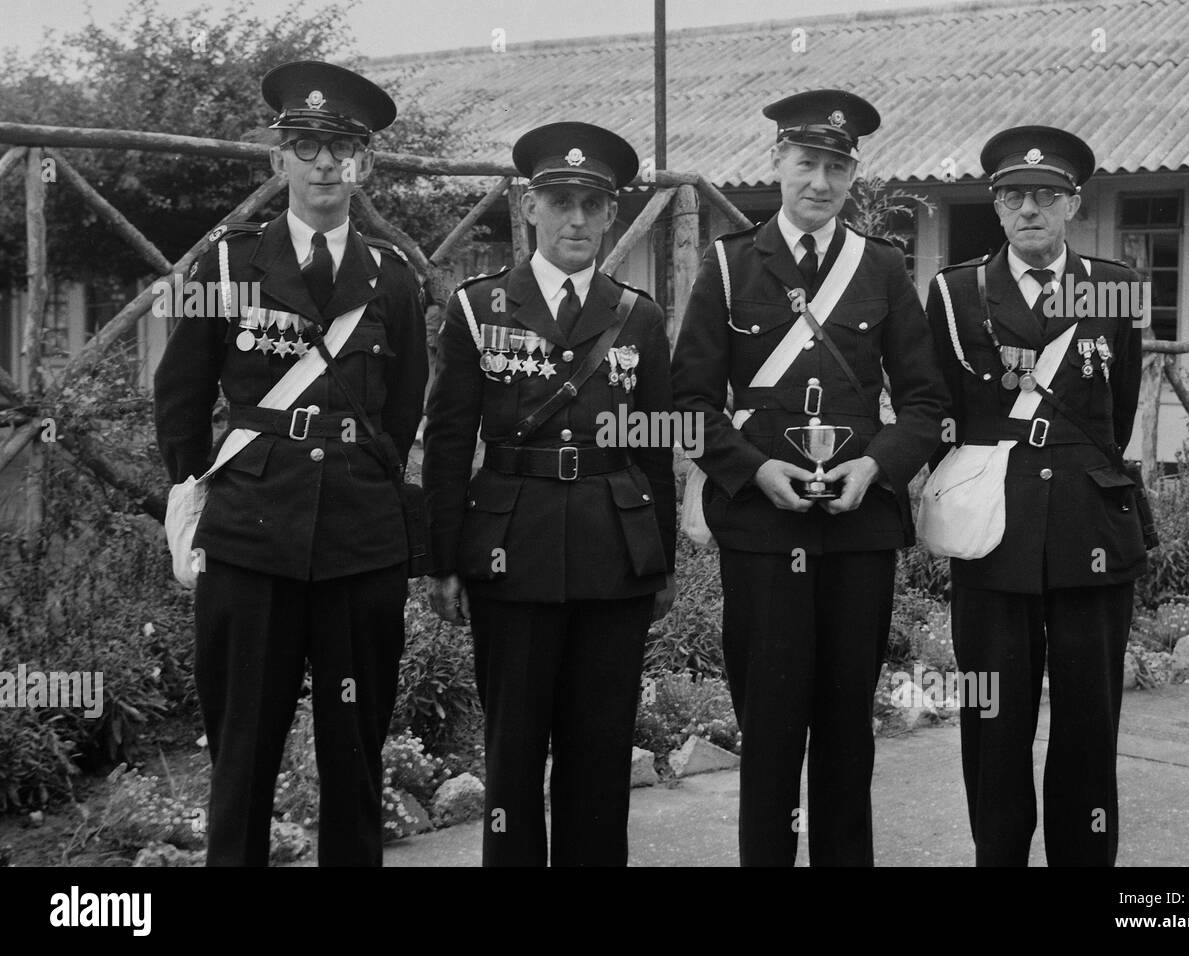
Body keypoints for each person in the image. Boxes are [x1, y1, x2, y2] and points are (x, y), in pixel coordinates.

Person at [154, 60, 428, 866]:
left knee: (355, 755)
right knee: (242, 754)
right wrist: (195, 489)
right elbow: (181, 392)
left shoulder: (394, 281)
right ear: (279, 161)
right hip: (251, 541)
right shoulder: (229, 267)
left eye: (341, 147)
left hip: (358, 545)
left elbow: (404, 407)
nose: (323, 164)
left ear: (365, 164)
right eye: (306, 146)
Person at [672, 89, 947, 866]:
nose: (819, 182)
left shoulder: (883, 267)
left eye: (835, 167)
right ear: (778, 165)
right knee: (768, 725)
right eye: (806, 164)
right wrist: (754, 471)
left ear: (852, 174)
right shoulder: (729, 266)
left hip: (858, 527)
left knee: (846, 728)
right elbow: (689, 403)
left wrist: (877, 466)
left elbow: (926, 404)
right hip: (764, 531)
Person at [423, 121, 676, 867]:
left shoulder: (638, 316)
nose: (575, 220)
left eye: (591, 205)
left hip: (613, 554)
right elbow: (445, 442)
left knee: (599, 753)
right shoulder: (479, 309)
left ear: (610, 216)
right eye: (560, 201)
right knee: (513, 750)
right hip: (511, 553)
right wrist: (441, 560)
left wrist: (660, 562)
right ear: (529, 207)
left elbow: (658, 446)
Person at [924, 126, 1147, 866]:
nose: (1030, 209)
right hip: (996, 531)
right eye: (1015, 195)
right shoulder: (955, 292)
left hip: (1090, 527)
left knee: (1089, 721)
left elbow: (1118, 406)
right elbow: (941, 404)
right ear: (995, 206)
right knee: (992, 718)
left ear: (1073, 204)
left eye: (1046, 196)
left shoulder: (1114, 285)